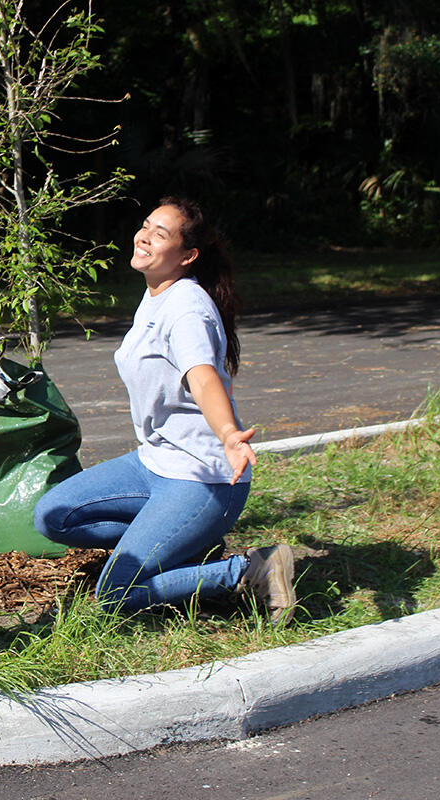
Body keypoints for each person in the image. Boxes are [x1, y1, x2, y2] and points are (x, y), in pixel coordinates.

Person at [33, 197, 297, 622]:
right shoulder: (157, 294)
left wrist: (229, 434)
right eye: (145, 225)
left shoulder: (186, 309)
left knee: (115, 593)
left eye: (161, 234)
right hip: (153, 463)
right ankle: (183, 547)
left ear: (188, 255)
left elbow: (203, 376)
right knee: (53, 515)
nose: (145, 236)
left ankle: (247, 570)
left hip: (203, 477)